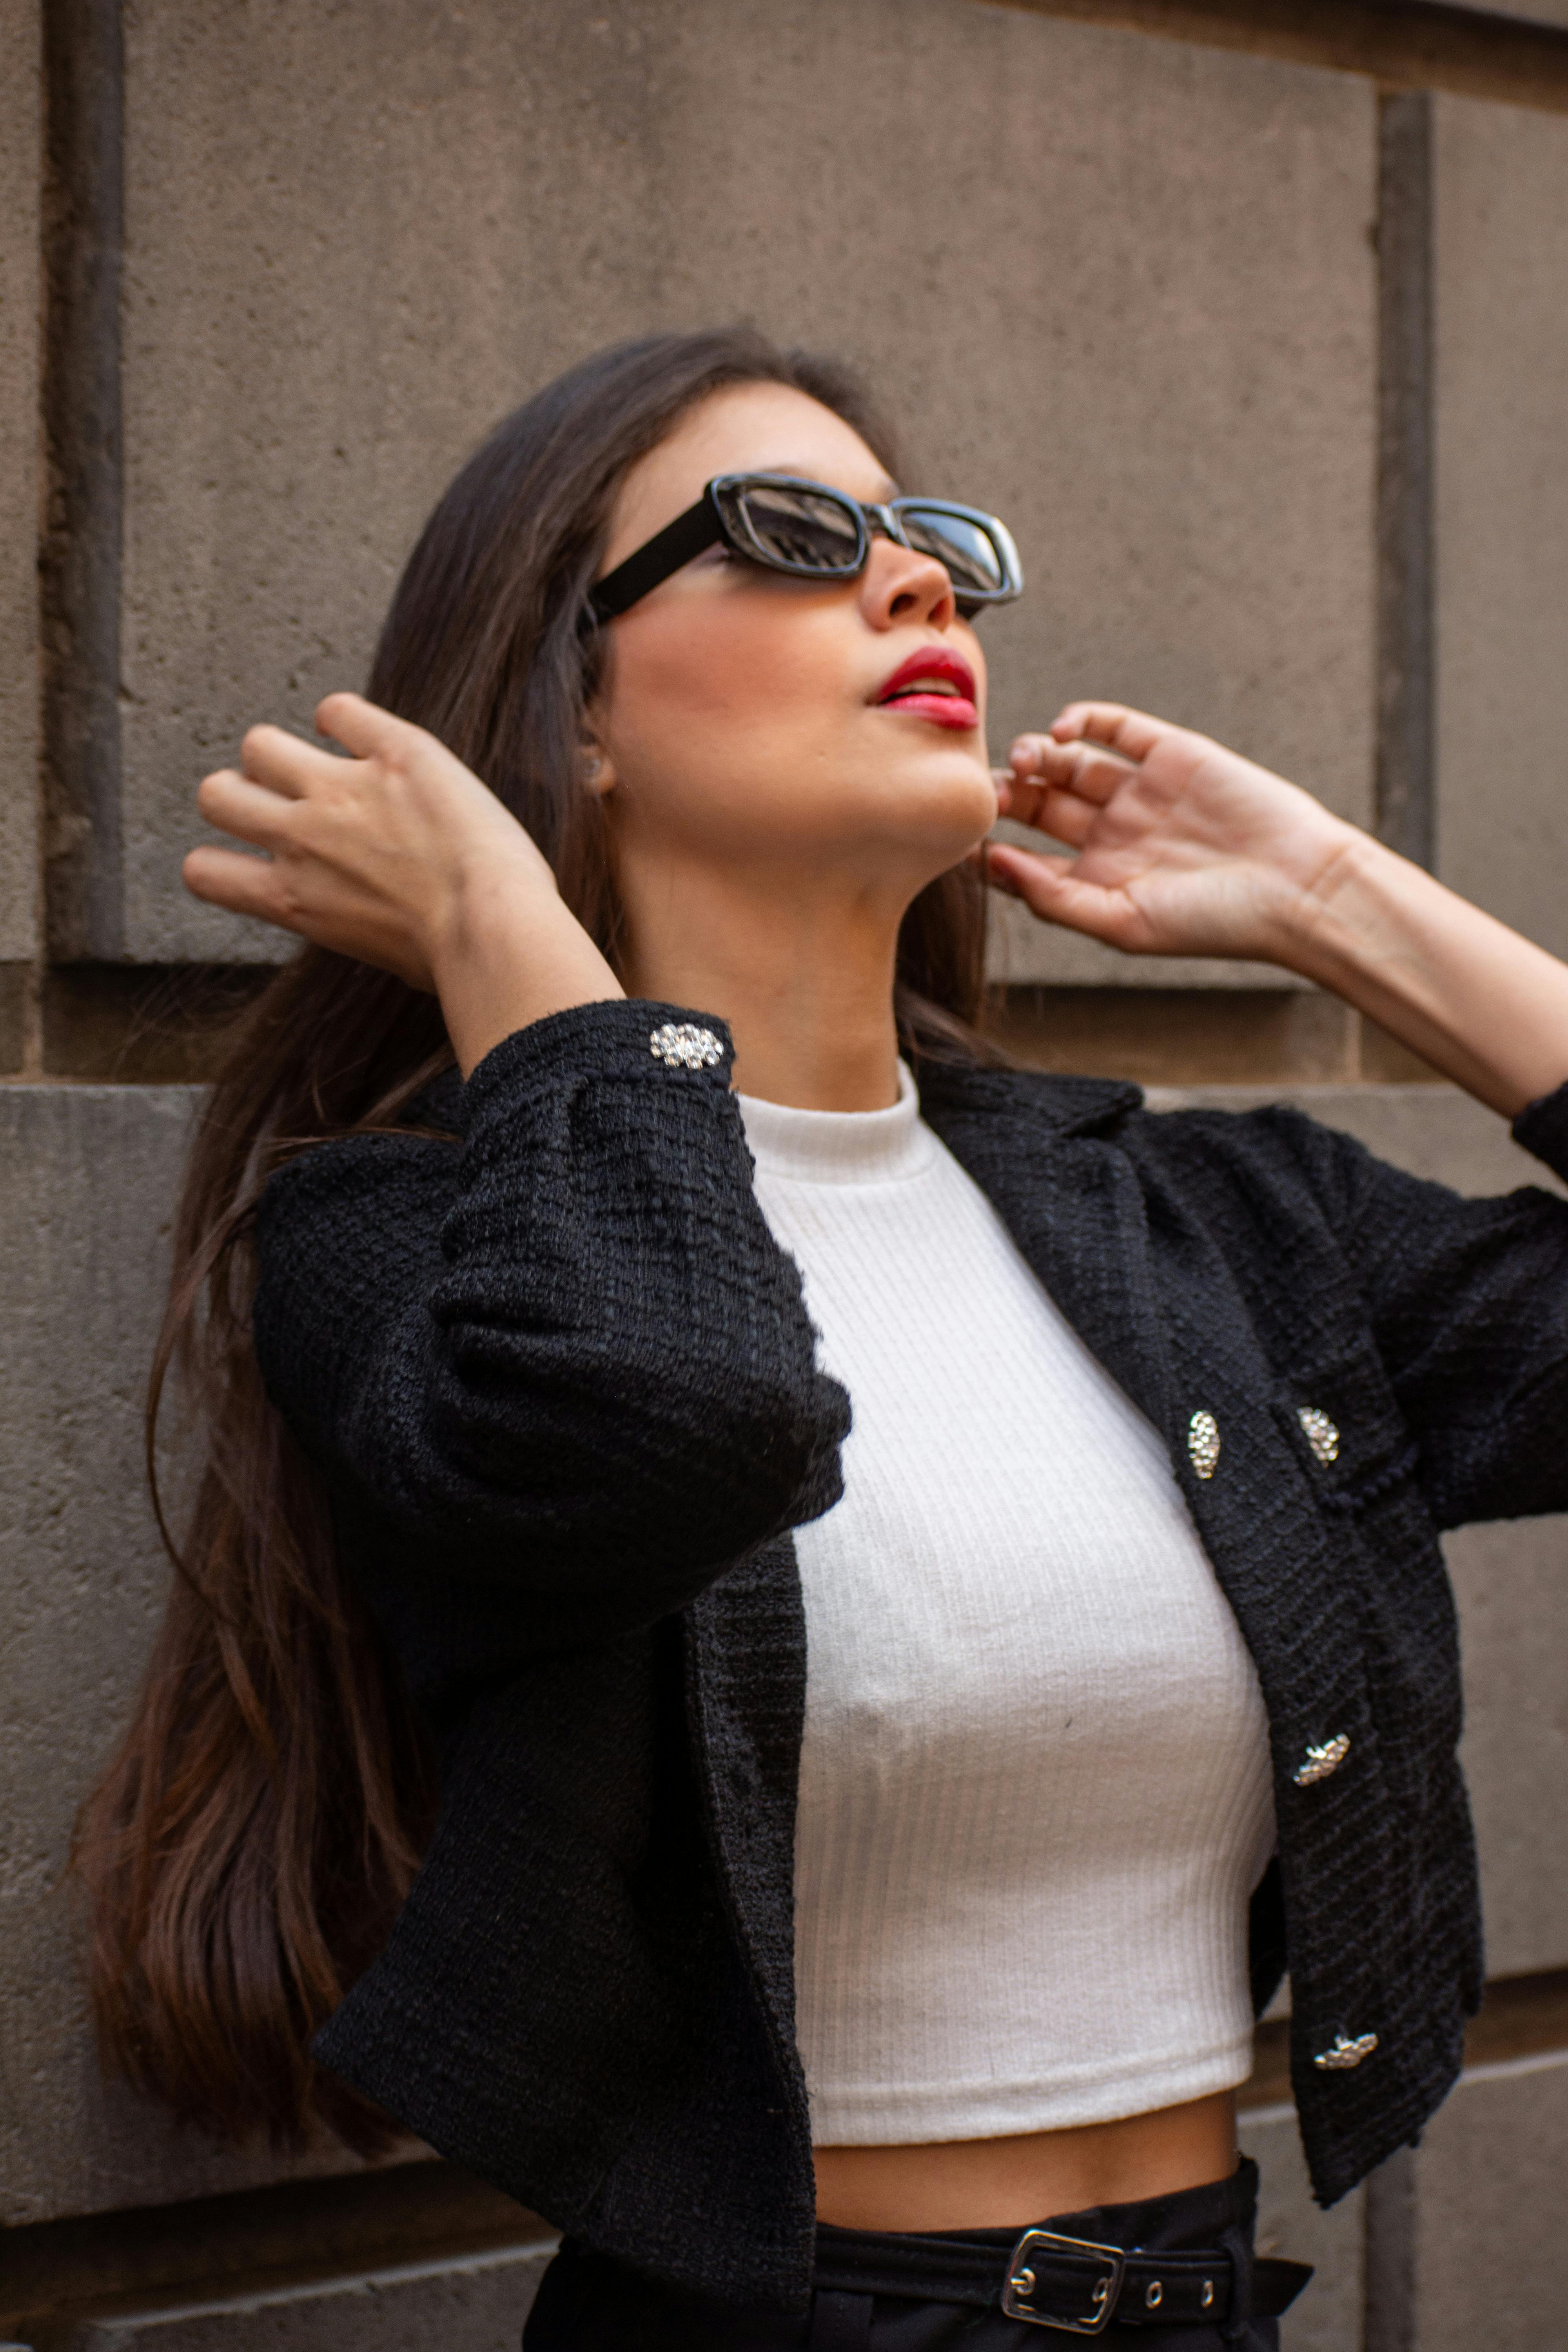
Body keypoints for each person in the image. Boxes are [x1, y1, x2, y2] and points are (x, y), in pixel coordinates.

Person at [74, 327, 1568, 2350]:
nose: (920, 580)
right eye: (793, 532)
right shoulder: (405, 1238)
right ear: (573, 706)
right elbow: (692, 1408)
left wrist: (1337, 900)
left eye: (931, 539)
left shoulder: (1212, 1230)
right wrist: (510, 939)